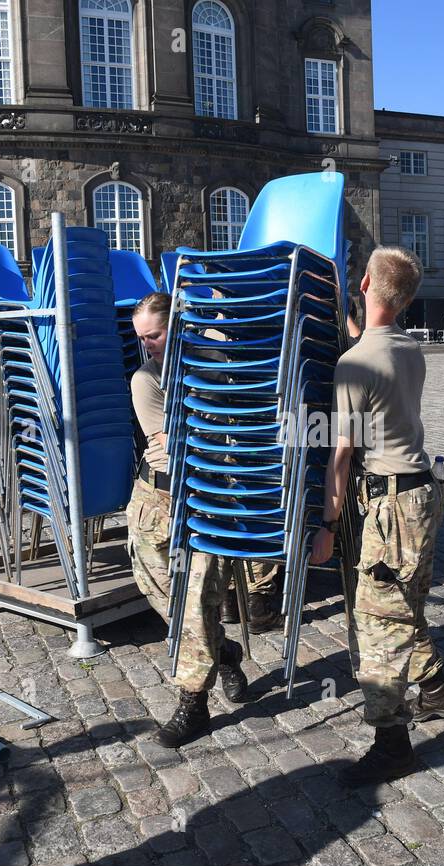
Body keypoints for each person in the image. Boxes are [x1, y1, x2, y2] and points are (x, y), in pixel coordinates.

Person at [310, 246, 444, 787]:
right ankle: (439, 690)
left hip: (389, 504)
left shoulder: (355, 363)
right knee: (404, 602)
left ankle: (392, 745)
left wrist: (327, 526)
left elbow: (343, 452)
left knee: (377, 625)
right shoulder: (408, 346)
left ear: (368, 283)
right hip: (421, 490)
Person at [127, 292, 252, 748]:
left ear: (177, 325)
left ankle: (192, 703)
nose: (148, 345)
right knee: (163, 598)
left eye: (155, 334)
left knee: (196, 603)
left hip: (207, 503)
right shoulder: (147, 378)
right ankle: (225, 653)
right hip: (156, 500)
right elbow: (174, 449)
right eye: (141, 338)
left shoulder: (219, 362)